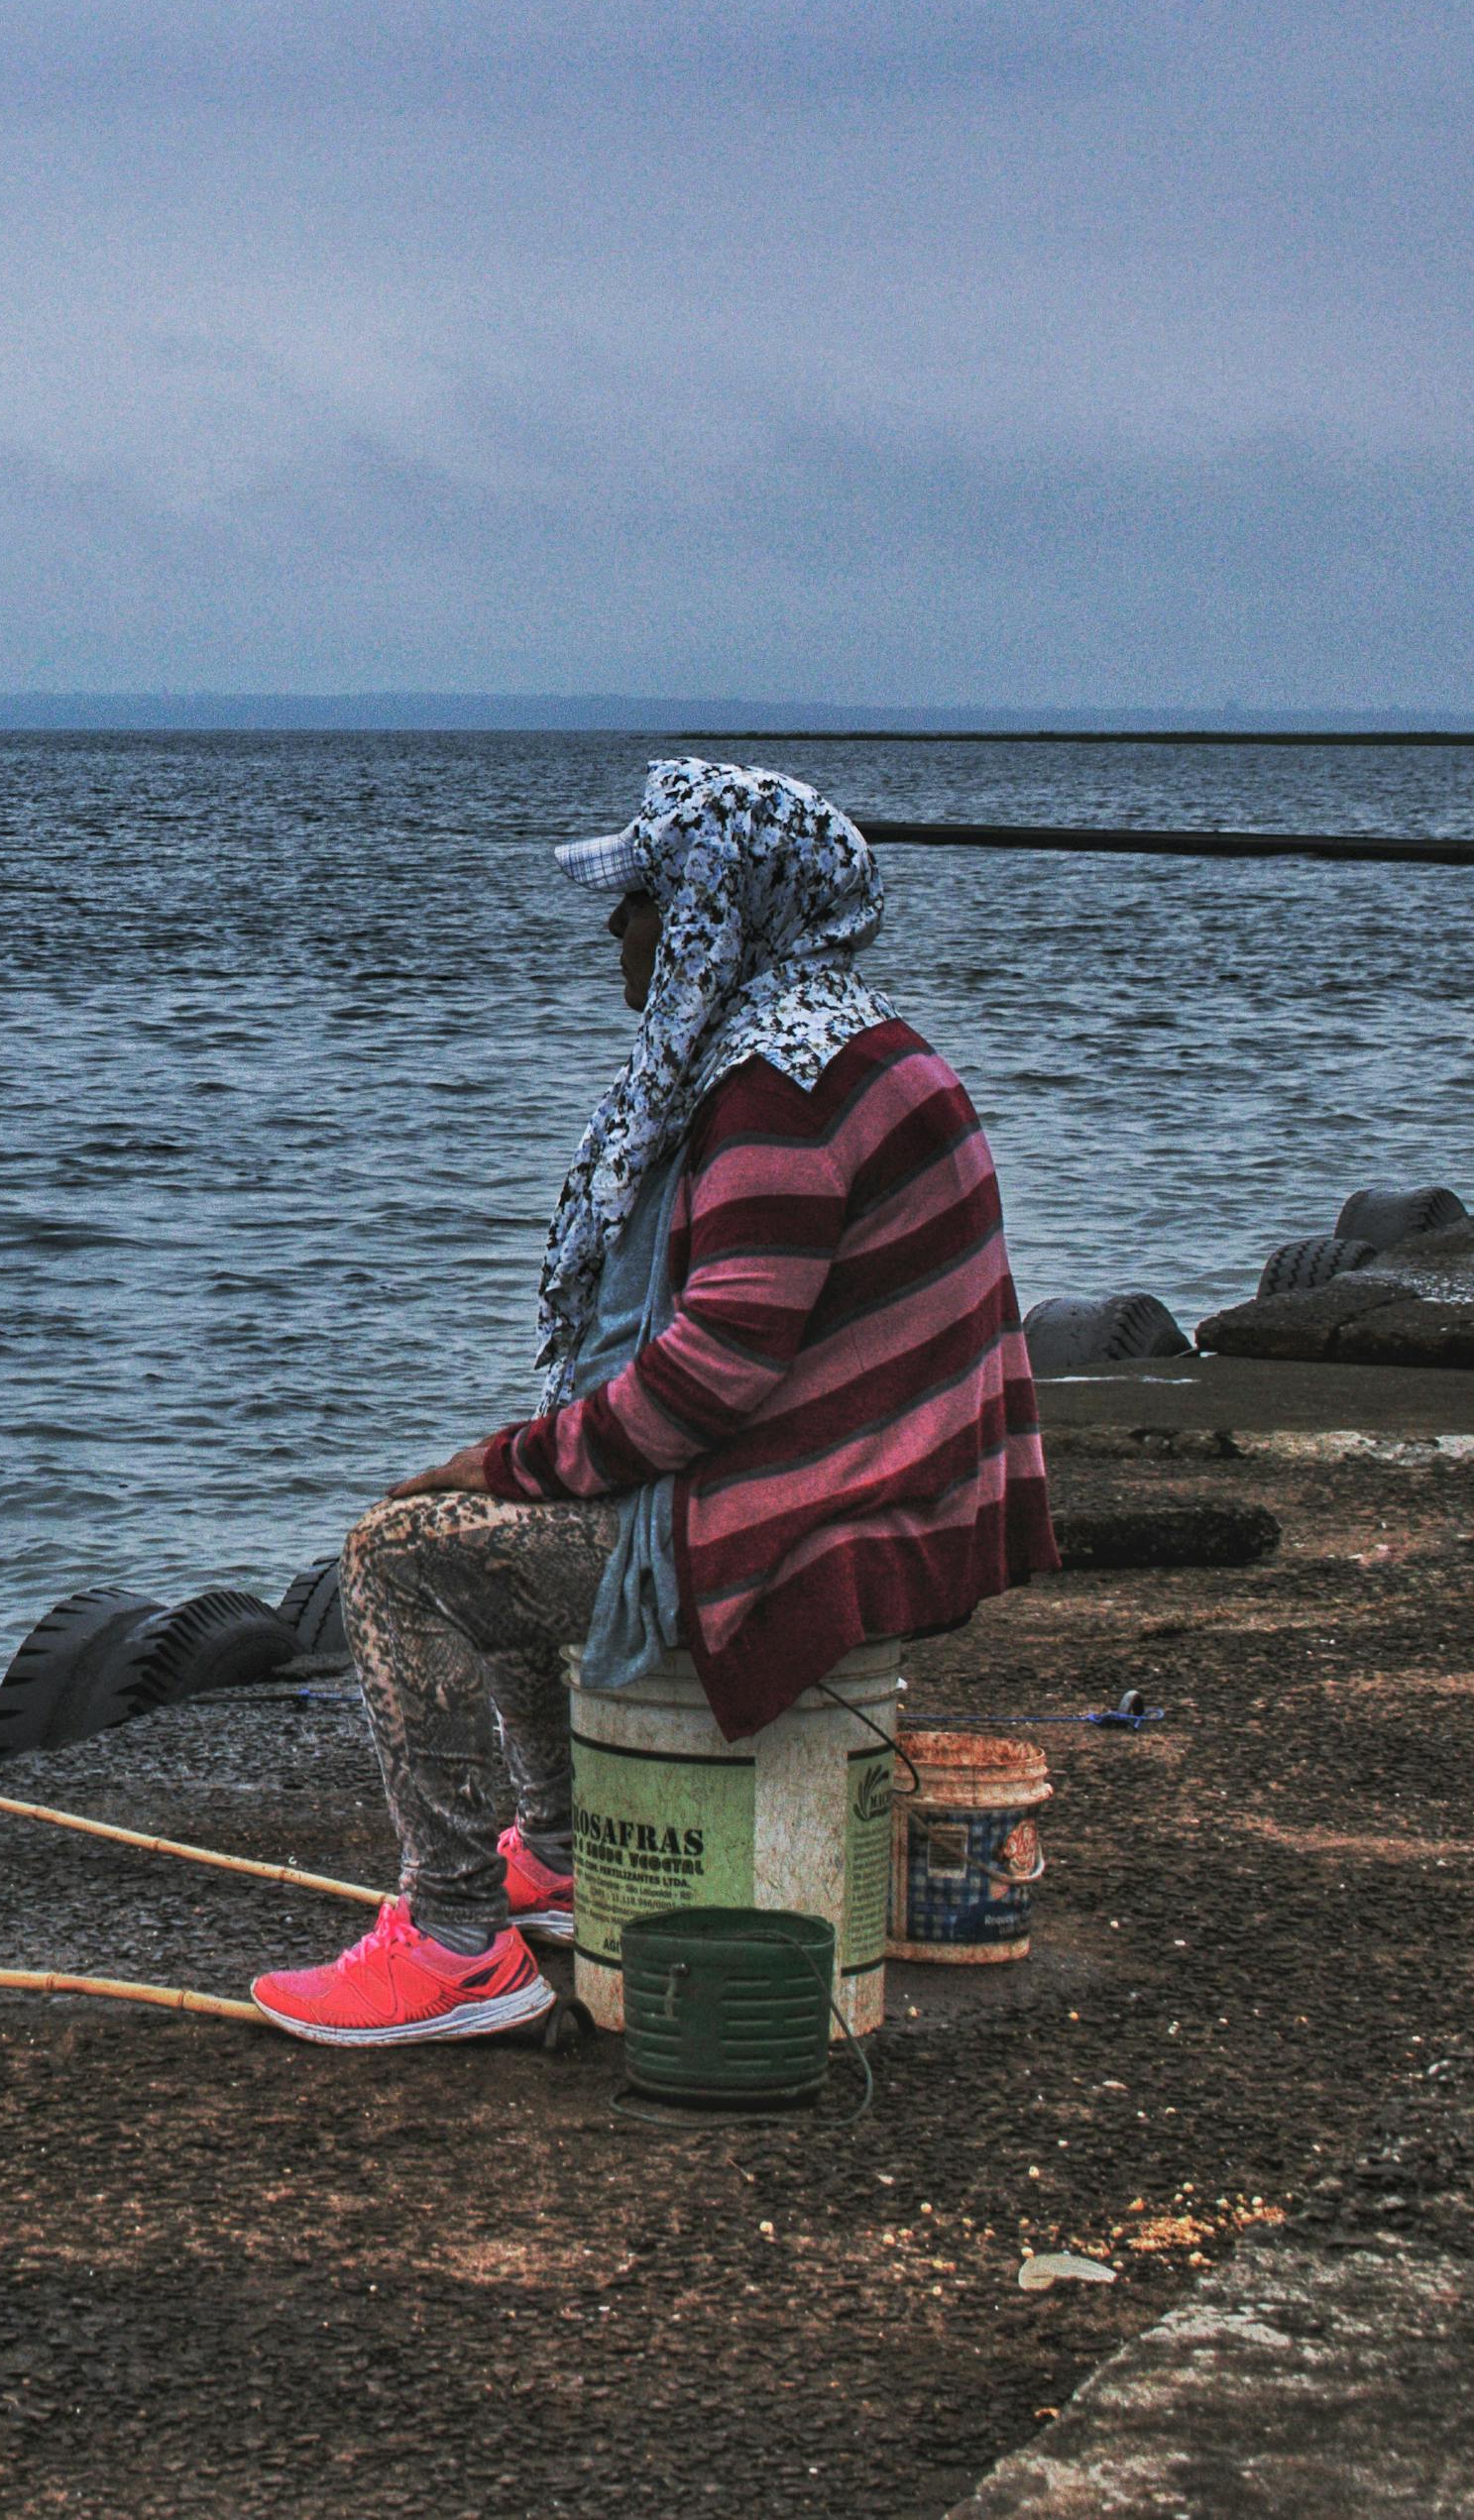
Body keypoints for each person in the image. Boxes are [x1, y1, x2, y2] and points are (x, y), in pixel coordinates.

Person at [249, 758, 1057, 2047]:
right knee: (502, 1532)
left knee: (402, 1556)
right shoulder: (851, 1042)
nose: (616, 932)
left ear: (712, 914)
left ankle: (458, 1944)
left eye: (639, 904)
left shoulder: (776, 1089)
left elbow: (712, 1373)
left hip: (817, 1522)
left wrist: (509, 1459)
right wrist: (532, 1465)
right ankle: (561, 1856)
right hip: (886, 1488)